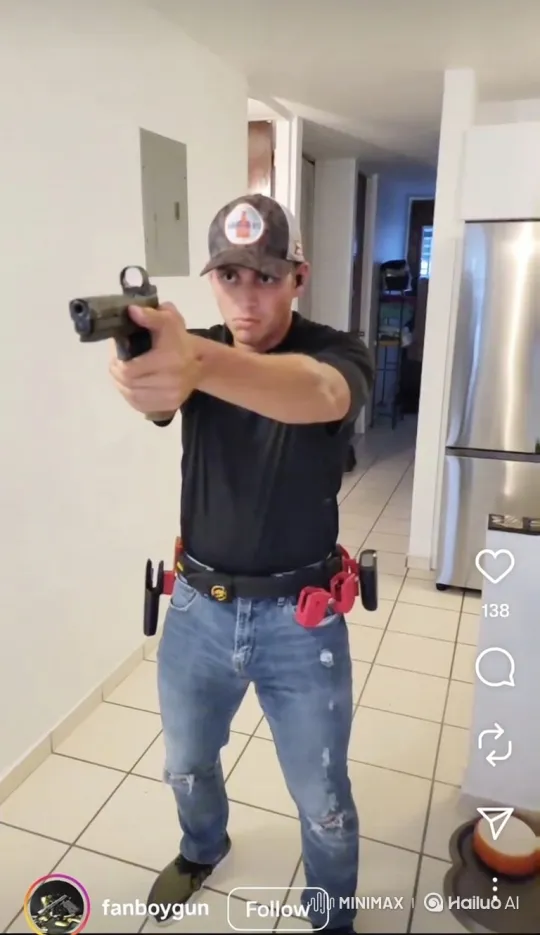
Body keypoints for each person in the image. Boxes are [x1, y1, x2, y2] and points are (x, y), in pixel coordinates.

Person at [110, 193, 375, 934]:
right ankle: (203, 847)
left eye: (265, 277)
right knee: (184, 764)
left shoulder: (338, 353)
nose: (247, 297)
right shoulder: (193, 352)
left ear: (298, 278)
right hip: (199, 608)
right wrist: (141, 369)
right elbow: (157, 397)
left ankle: (332, 916)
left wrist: (197, 361)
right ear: (212, 279)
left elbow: (318, 394)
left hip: (302, 620)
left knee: (324, 801)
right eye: (229, 276)